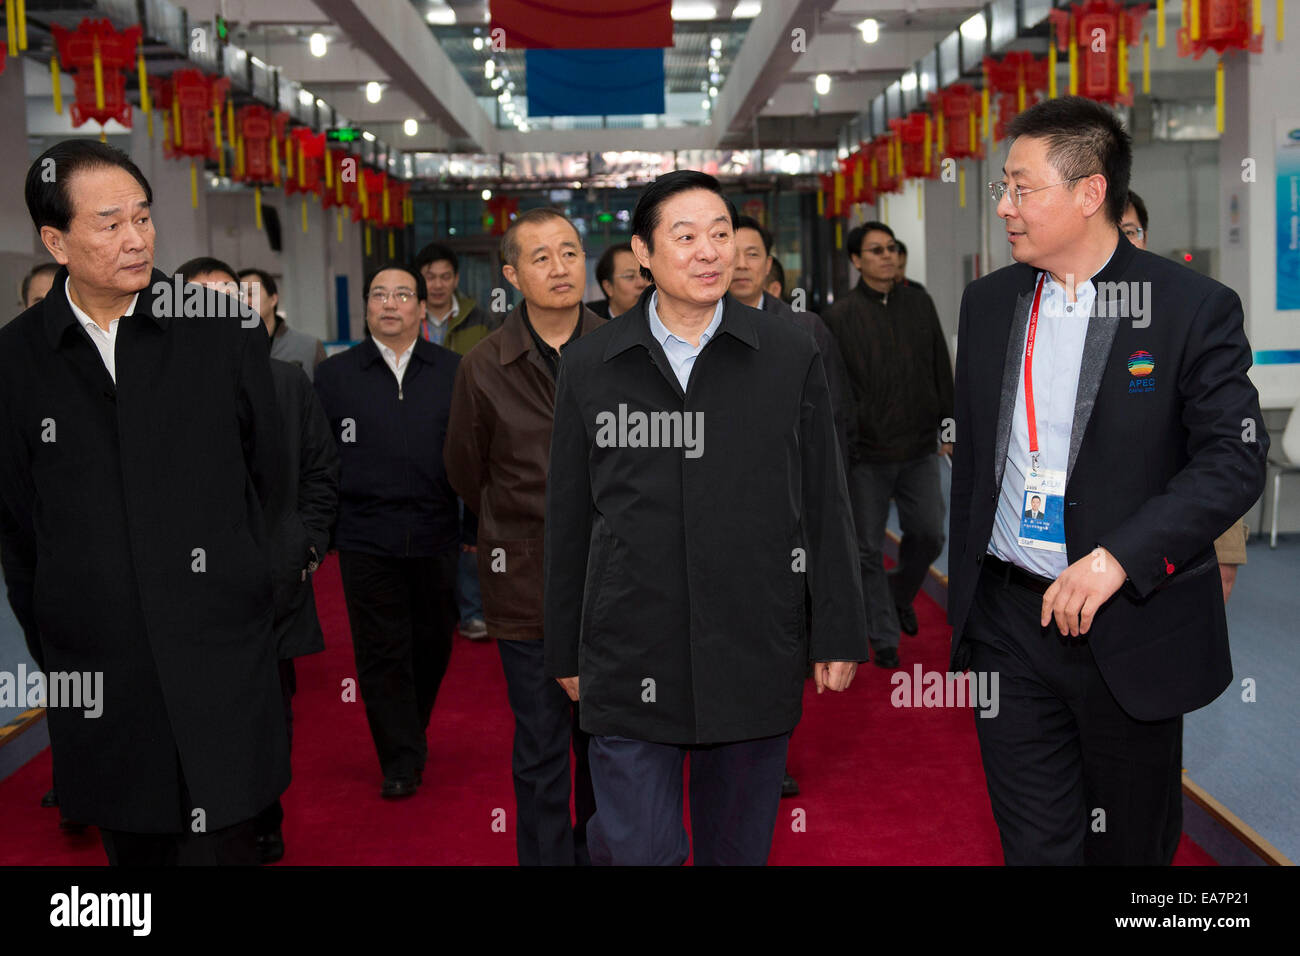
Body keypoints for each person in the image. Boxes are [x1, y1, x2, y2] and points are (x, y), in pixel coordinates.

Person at [949, 96, 1268, 865]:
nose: (1004, 207)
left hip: (1128, 621)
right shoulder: (990, 304)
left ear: (1090, 193)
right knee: (1036, 845)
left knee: (1131, 846)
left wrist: (1121, 556)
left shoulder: (1190, 307)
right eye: (1004, 188)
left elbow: (1234, 456)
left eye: (1022, 189)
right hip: (1009, 619)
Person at [544, 170, 867, 866]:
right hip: (630, 644)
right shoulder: (592, 363)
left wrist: (838, 625)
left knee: (736, 850)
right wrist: (565, 647)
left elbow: (824, 497)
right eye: (685, 236)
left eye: (720, 234)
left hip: (751, 640)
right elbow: (569, 516)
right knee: (639, 850)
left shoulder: (787, 352)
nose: (710, 251)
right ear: (644, 254)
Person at [0, 139, 287, 865]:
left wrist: (255, 583)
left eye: (143, 216)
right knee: (135, 855)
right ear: (55, 240)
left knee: (226, 842)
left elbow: (273, 480)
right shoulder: (16, 360)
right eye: (109, 222)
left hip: (220, 645)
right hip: (102, 664)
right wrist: (65, 629)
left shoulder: (220, 330)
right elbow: (18, 524)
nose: (136, 237)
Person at [445, 207, 602, 866]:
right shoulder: (483, 365)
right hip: (524, 585)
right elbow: (465, 470)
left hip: (614, 582)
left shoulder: (626, 351)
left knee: (609, 745)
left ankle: (603, 853)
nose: (560, 267)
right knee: (541, 745)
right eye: (541, 257)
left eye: (569, 252)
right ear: (510, 274)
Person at [178, 257, 340, 865]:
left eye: (230, 299)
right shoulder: (155, 391)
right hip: (190, 589)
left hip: (274, 586)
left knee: (268, 710)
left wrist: (306, 546)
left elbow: (321, 471)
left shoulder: (286, 382)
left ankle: (264, 815)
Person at [314, 263, 462, 800]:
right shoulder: (335, 376)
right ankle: (399, 756)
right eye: (379, 294)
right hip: (364, 535)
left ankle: (409, 726)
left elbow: (472, 453)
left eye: (403, 294)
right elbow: (321, 459)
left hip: (436, 531)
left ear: (422, 308)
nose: (391, 303)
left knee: (431, 644)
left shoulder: (453, 370)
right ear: (367, 308)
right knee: (381, 651)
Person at [823, 221, 954, 667]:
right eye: (876, 250)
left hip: (919, 449)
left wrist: (949, 428)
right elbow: (835, 389)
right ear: (857, 261)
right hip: (867, 456)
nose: (887, 256)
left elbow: (941, 365)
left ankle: (900, 593)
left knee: (930, 533)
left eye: (892, 248)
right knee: (865, 548)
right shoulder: (838, 317)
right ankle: (883, 636)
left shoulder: (919, 302)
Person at [1122, 190, 1249, 602]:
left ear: (1145, 234)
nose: (1125, 241)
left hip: (1202, 472)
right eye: (1116, 232)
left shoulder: (1187, 302)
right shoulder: (1085, 306)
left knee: (1219, 581)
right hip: (1135, 490)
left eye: (1132, 231)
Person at [731, 214, 852, 458]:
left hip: (792, 472)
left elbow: (834, 411)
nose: (741, 264)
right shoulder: (698, 327)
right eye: (732, 255)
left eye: (752, 254)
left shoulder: (805, 327)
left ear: (768, 265)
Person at [236, 267, 326, 381]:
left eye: (250, 294)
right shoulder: (228, 349)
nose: (244, 301)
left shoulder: (309, 348)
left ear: (273, 299)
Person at [413, 241, 500, 352]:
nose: (438, 285)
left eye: (445, 277)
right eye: (430, 277)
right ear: (419, 280)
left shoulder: (480, 321)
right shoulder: (407, 318)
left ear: (456, 279)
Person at [587, 241, 649, 319]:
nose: (641, 283)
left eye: (646, 274)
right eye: (630, 276)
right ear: (608, 287)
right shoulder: (589, 320)